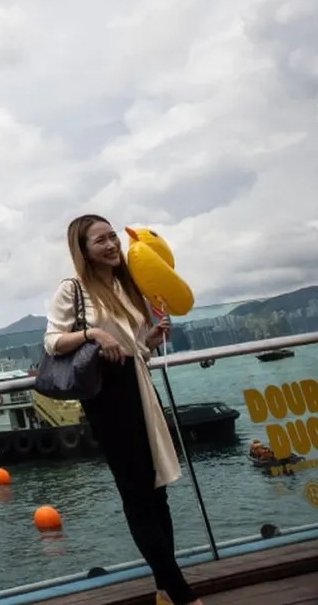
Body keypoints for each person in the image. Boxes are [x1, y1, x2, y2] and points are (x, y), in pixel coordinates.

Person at [44, 215, 205, 605]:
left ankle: (165, 589)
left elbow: (134, 347)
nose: (112, 244)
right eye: (100, 240)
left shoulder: (126, 284)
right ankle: (180, 592)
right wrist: (95, 334)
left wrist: (148, 339)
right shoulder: (74, 289)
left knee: (157, 491)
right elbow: (52, 341)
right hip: (107, 394)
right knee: (136, 493)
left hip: (138, 385)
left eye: (113, 236)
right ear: (82, 250)